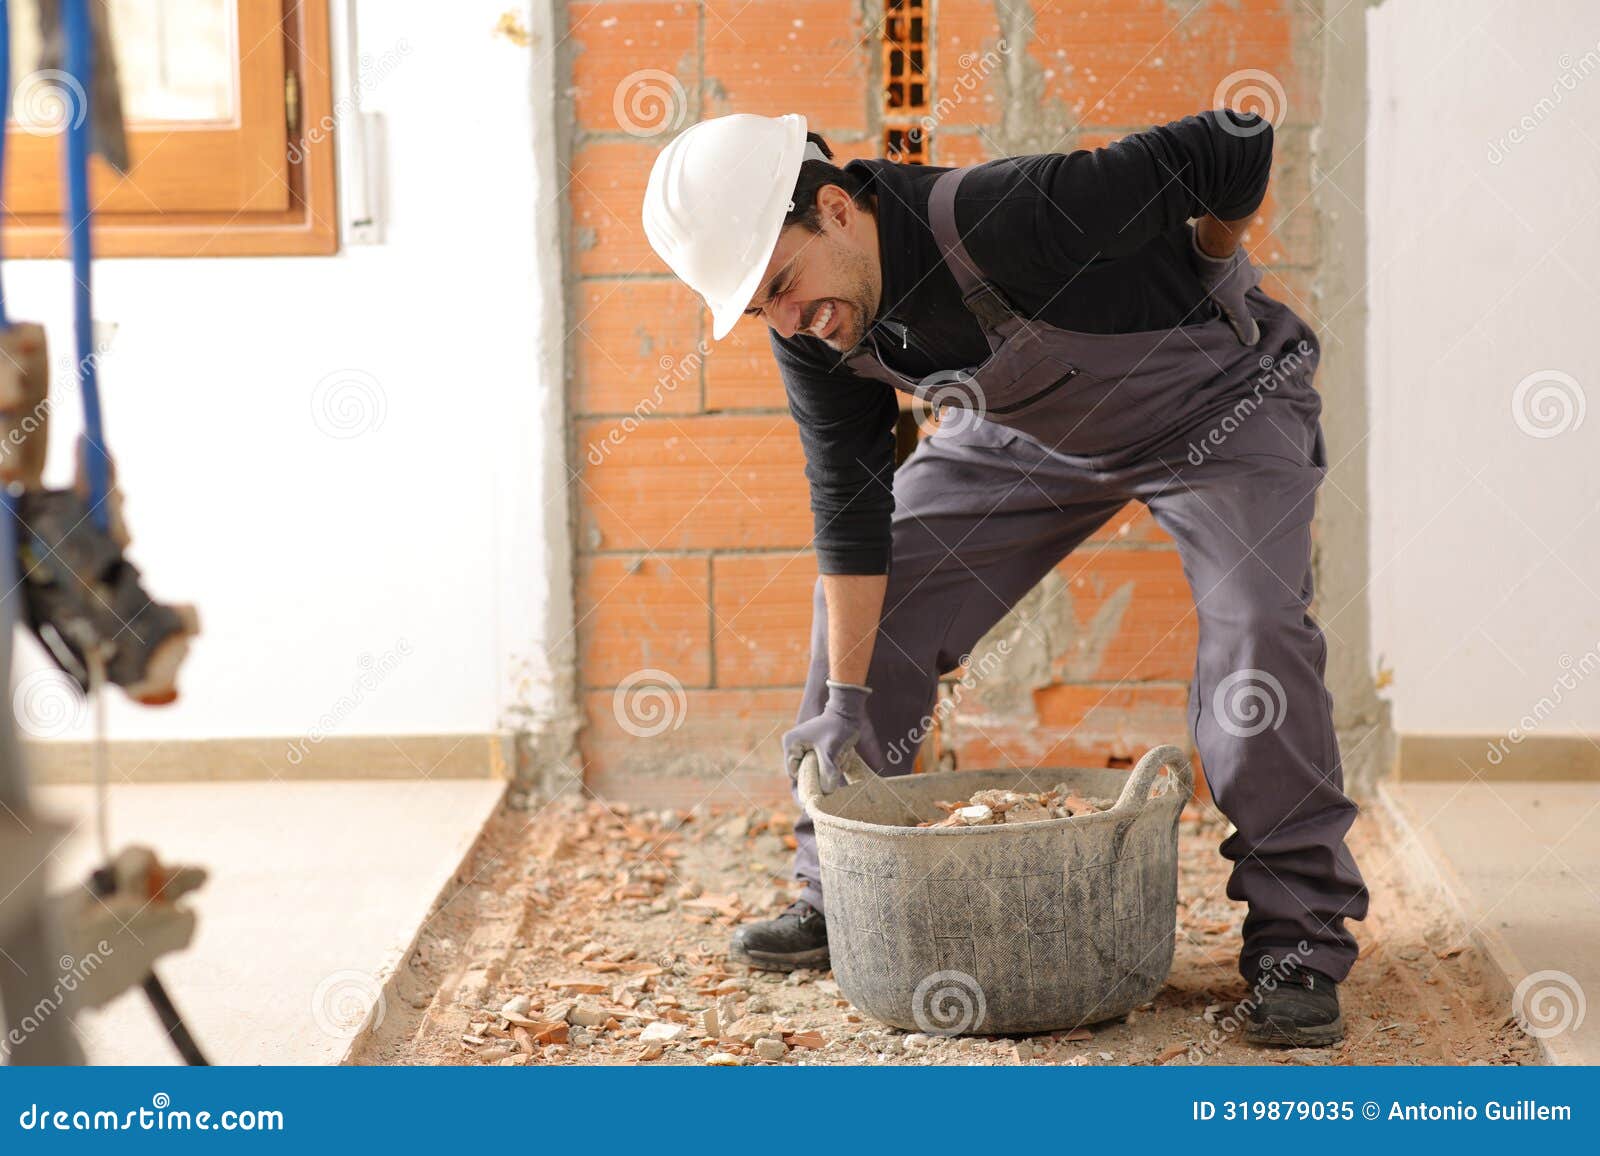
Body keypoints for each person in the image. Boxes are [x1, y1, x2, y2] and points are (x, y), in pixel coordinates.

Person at [640, 110, 1368, 1046]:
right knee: (876, 607)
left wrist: (1215, 253)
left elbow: (1238, 141)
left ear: (834, 208)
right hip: (1026, 437)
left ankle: (1298, 941)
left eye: (782, 282)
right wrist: (848, 698)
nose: (787, 321)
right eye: (757, 309)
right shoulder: (814, 329)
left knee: (1256, 631)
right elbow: (850, 507)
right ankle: (841, 891)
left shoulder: (1009, 212)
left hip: (1212, 408)